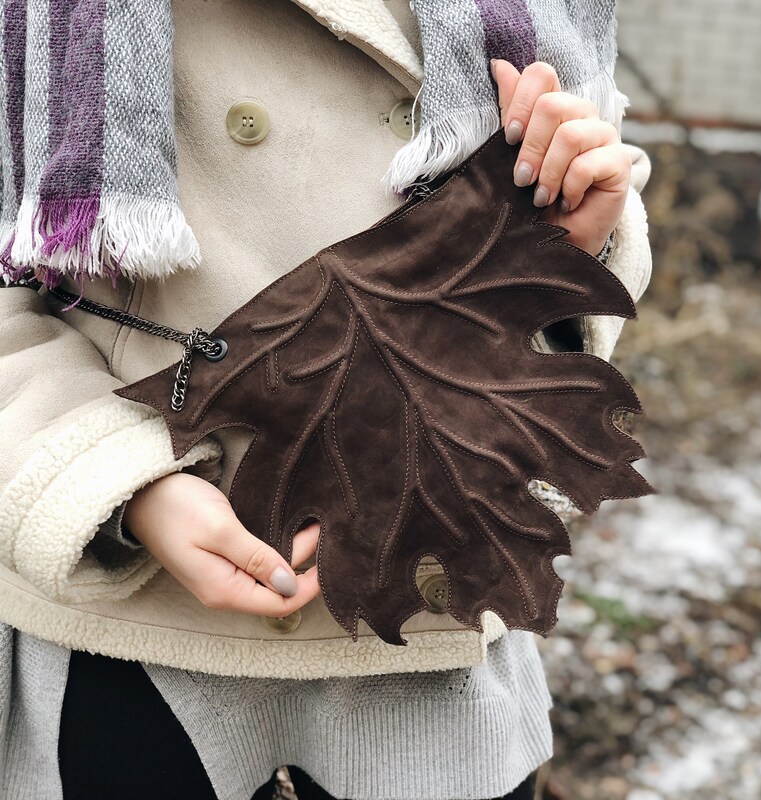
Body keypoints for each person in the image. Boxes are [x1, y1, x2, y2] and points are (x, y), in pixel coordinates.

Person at [0, 1, 652, 798]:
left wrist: (564, 242)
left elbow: (567, 176)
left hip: (429, 611)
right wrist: (114, 480)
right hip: (133, 633)